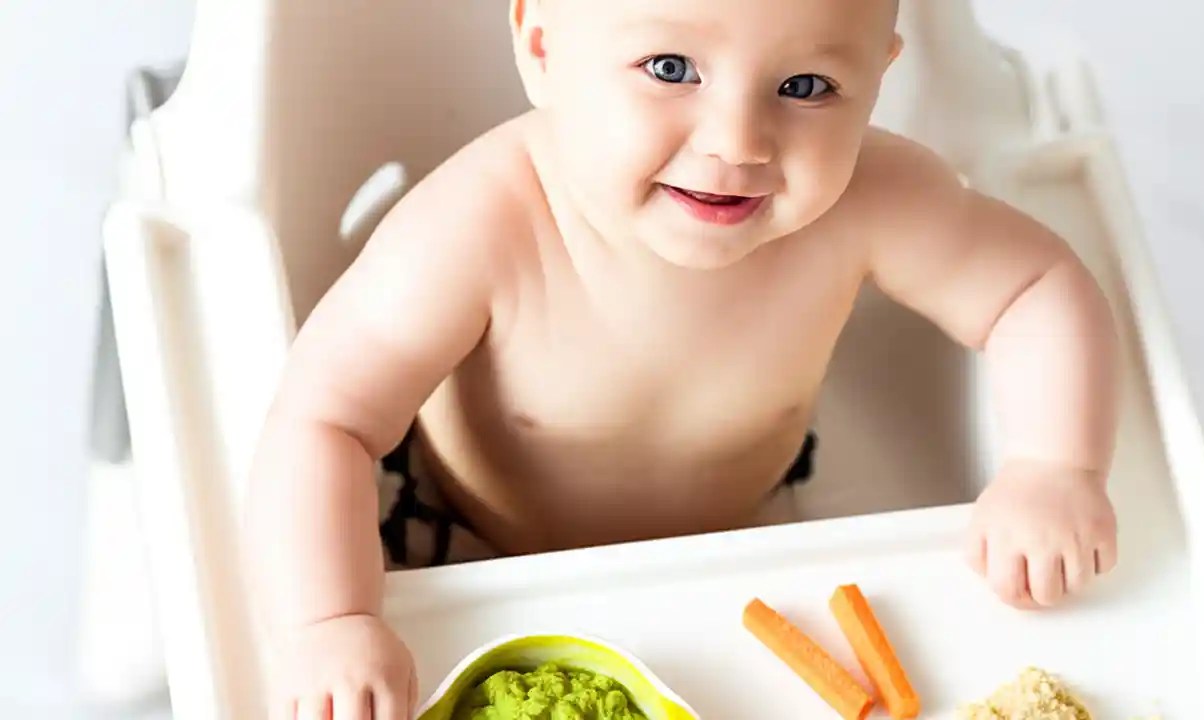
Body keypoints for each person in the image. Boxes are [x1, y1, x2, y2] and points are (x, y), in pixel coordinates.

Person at [245, 1, 1120, 717]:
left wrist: (1054, 466)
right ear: (542, 45)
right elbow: (325, 420)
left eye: (807, 86)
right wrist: (331, 617)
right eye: (671, 69)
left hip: (743, 539)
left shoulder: (874, 200)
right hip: (471, 545)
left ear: (878, 77)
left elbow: (1034, 286)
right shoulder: (476, 228)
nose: (738, 140)